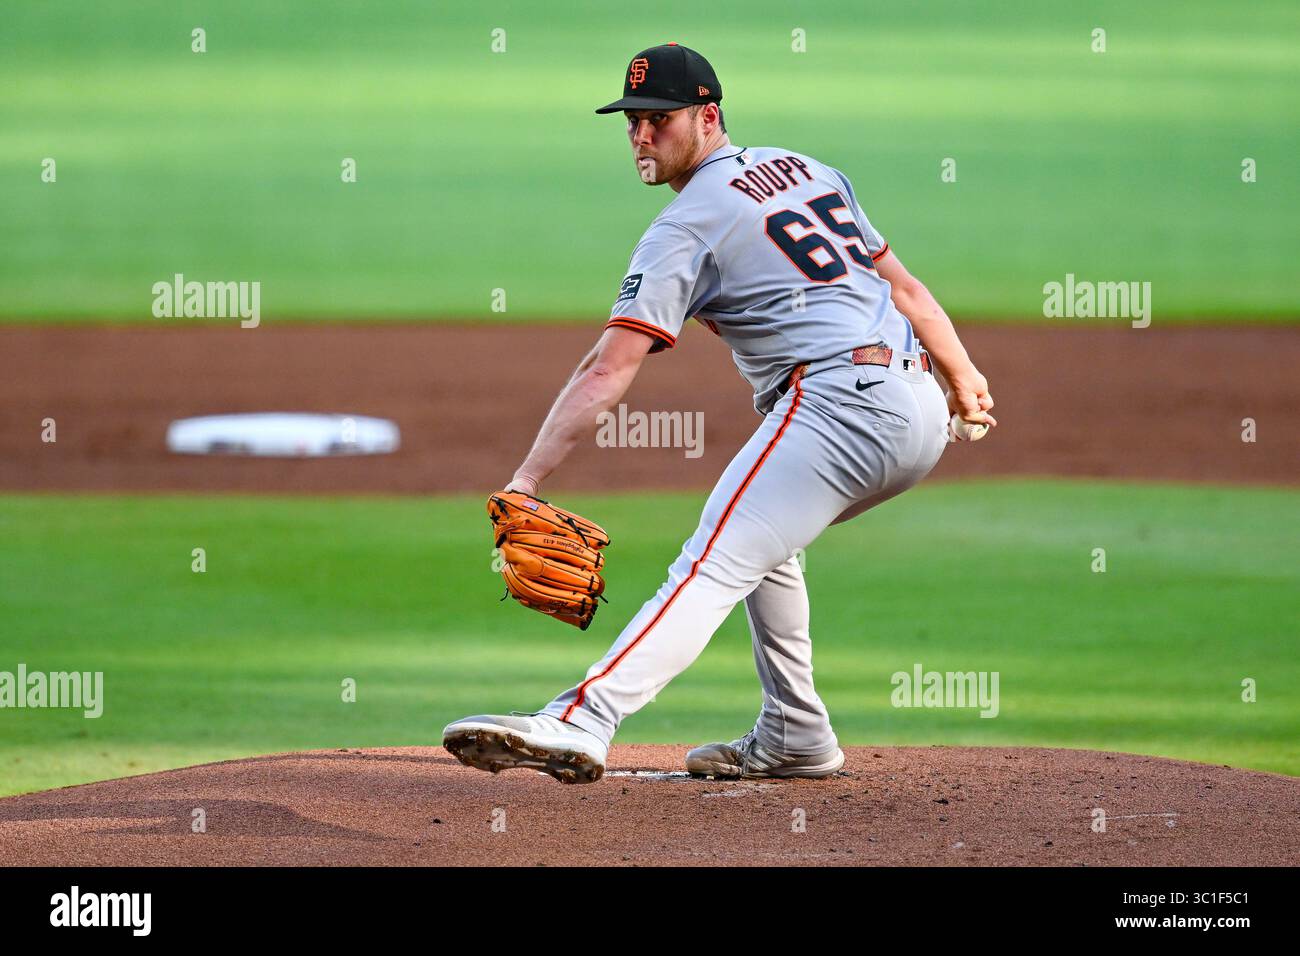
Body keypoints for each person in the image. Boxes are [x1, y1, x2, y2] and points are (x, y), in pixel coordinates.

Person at [443, 43, 995, 784]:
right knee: (766, 547)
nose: (642, 136)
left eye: (659, 120)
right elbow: (907, 291)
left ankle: (584, 717)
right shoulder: (807, 170)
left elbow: (607, 368)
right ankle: (796, 732)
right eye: (632, 121)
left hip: (840, 410)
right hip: (917, 412)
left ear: (709, 116)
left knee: (709, 564)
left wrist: (527, 479)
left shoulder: (687, 223)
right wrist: (964, 382)